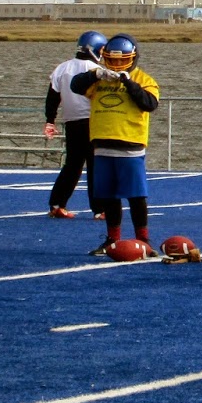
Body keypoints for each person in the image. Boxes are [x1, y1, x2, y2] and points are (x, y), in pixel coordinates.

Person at [69, 34, 160, 255]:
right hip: (102, 145)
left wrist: (128, 82)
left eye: (122, 60)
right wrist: (96, 74)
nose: (117, 64)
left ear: (133, 57)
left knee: (136, 196)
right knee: (108, 197)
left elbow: (149, 103)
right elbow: (75, 85)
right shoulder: (99, 78)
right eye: (113, 60)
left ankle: (144, 239)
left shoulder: (144, 78)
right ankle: (112, 239)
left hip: (130, 145)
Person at [42, 30, 107, 219]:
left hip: (71, 122)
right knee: (96, 166)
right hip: (93, 121)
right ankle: (99, 209)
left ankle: (57, 204)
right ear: (94, 48)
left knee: (72, 165)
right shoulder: (95, 70)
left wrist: (50, 120)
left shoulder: (62, 68)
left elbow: (52, 97)